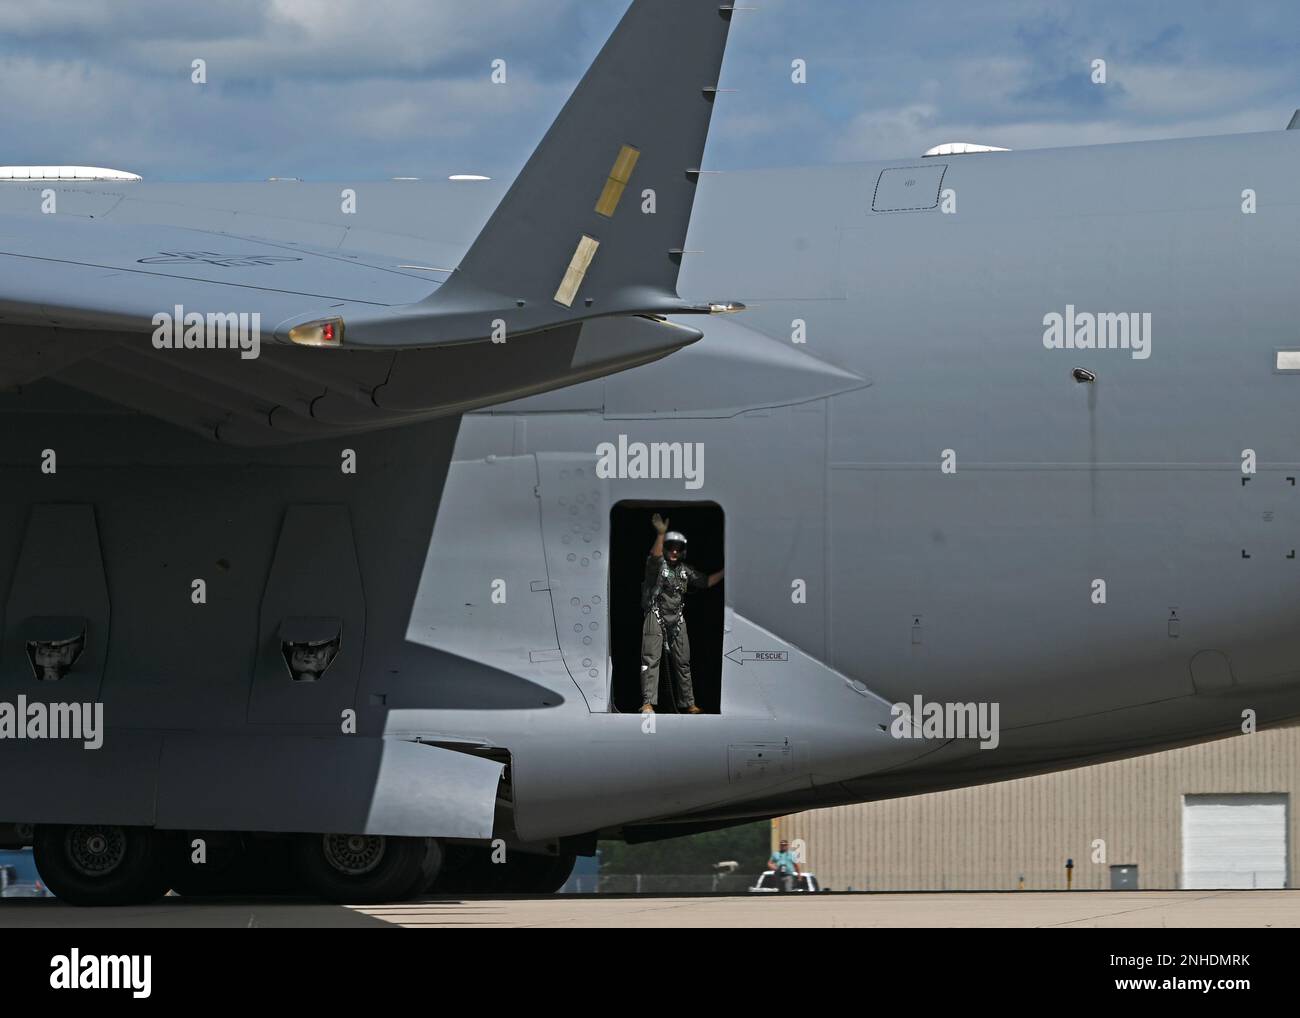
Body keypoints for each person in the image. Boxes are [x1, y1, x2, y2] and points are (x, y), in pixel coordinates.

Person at [639, 512, 723, 713]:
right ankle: (647, 702)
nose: (674, 552)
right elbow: (655, 557)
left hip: (677, 619)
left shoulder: (685, 570)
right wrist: (661, 535)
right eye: (670, 548)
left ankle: (688, 703)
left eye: (678, 549)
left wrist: (727, 571)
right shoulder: (658, 567)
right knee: (650, 660)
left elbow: (705, 582)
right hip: (656, 615)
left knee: (683, 662)